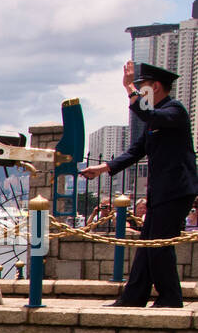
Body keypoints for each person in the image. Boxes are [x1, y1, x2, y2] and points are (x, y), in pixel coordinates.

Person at [80, 61, 197, 307]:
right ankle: (134, 297)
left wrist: (128, 87)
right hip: (161, 192)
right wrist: (103, 168)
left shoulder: (174, 111)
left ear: (156, 86)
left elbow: (146, 113)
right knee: (147, 246)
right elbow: (135, 151)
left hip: (176, 191)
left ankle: (171, 298)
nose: (140, 92)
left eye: (143, 87)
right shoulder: (156, 120)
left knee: (158, 245)